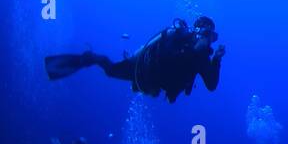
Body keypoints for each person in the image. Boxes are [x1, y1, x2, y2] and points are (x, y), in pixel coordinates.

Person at [44, 16, 224, 103]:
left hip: (146, 75)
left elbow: (211, 85)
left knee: (111, 71)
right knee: (111, 71)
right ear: (203, 32)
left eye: (212, 37)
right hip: (147, 73)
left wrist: (215, 59)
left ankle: (92, 59)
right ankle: (92, 59)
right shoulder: (193, 48)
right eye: (210, 35)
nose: (210, 40)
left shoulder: (193, 48)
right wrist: (211, 55)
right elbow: (210, 83)